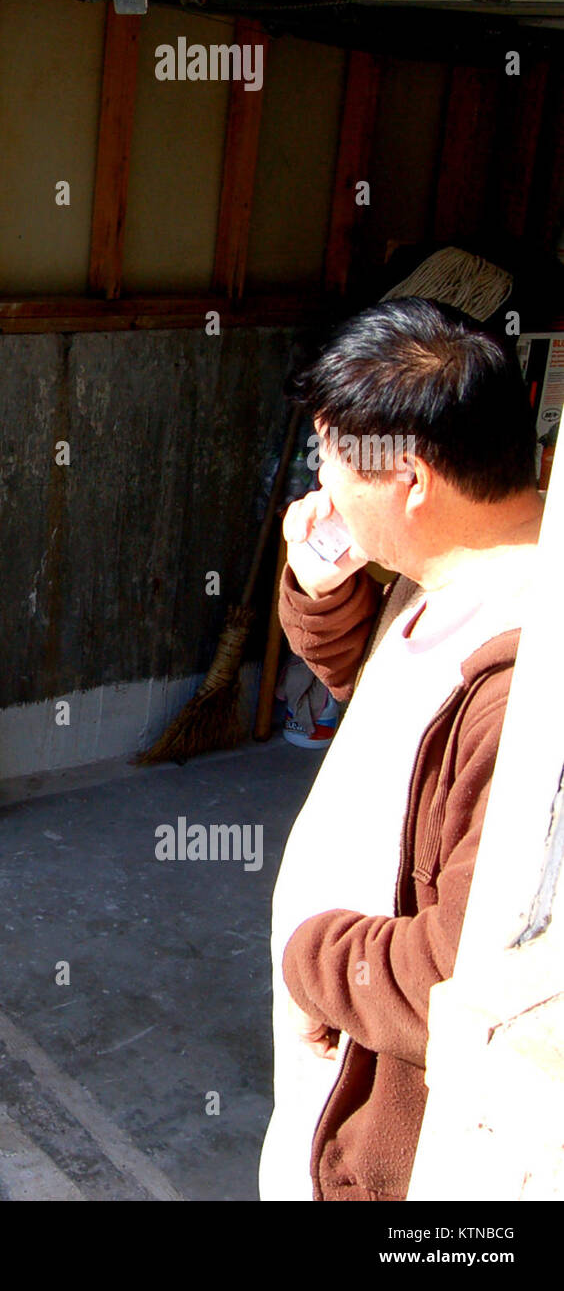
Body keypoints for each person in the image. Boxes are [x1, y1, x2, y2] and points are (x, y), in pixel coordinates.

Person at [259, 297, 543, 1201]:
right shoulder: (454, 566)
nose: (320, 485)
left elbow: (460, 974)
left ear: (411, 481)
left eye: (331, 459)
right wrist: (322, 588)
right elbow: (388, 709)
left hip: (400, 1156)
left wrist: (312, 959)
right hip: (341, 1064)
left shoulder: (522, 689)